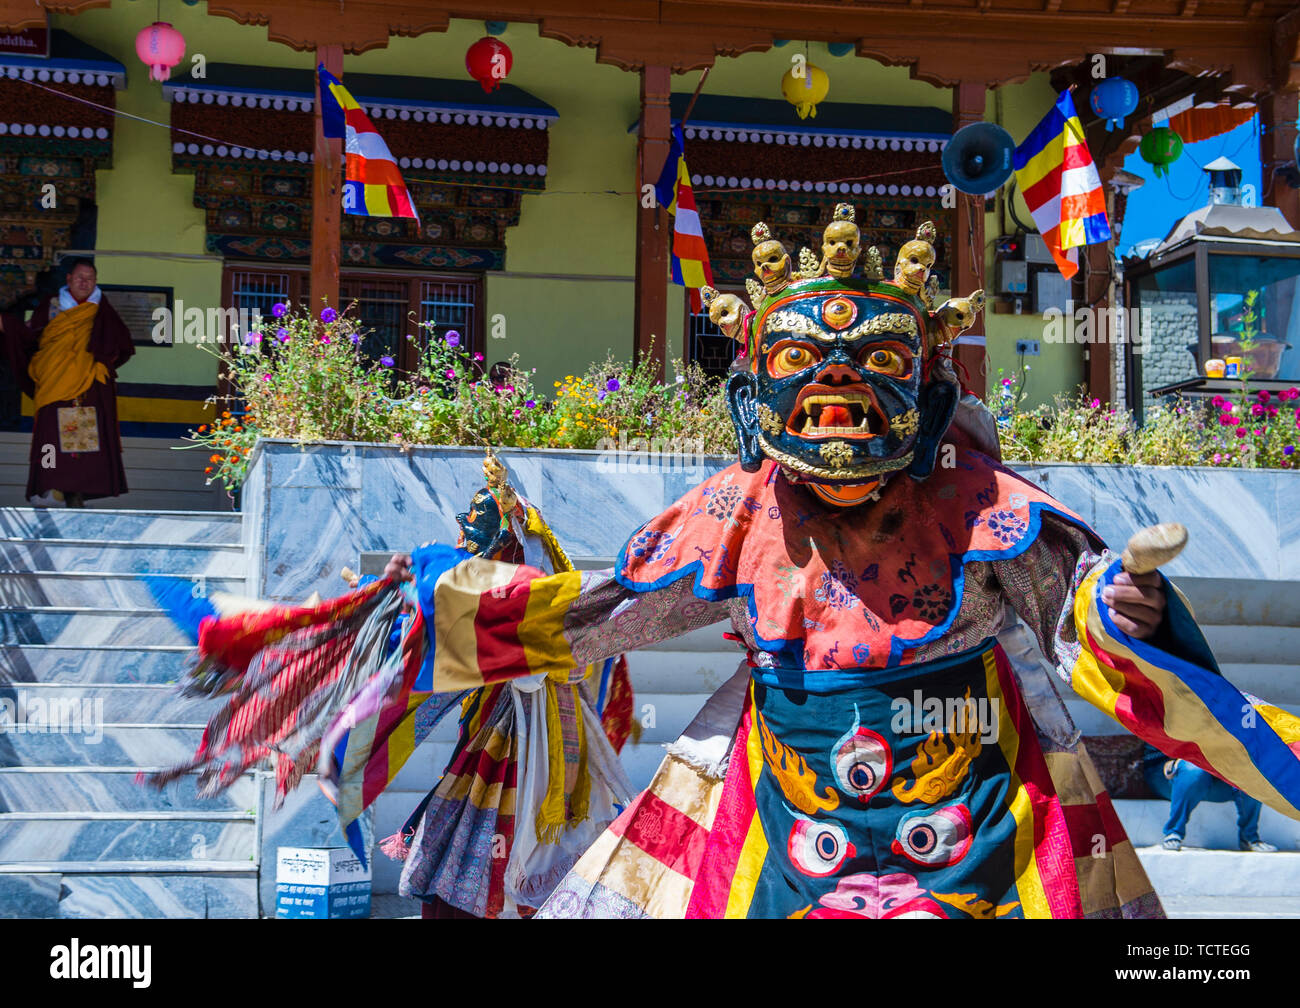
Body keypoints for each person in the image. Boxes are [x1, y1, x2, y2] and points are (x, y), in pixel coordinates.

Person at [0, 258, 133, 506]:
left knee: (81, 446)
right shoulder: (50, 307)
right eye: (80, 277)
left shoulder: (101, 309)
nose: (85, 282)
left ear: (95, 282)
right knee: (51, 440)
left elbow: (122, 345)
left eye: (90, 278)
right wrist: (8, 325)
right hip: (54, 384)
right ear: (69, 279)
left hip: (85, 386)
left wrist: (101, 364)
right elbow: (31, 339)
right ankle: (50, 486)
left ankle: (75, 493)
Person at [1143, 744, 1279, 853]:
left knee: (1252, 775)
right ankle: (1174, 832)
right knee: (1194, 769)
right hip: (1172, 772)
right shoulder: (1167, 710)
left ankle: (1250, 838)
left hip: (1218, 770)